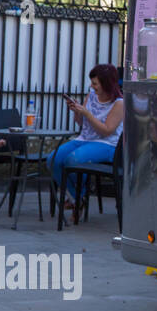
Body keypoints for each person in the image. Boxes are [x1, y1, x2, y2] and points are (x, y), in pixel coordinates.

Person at [51, 64, 124, 218]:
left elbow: (106, 130)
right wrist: (77, 112)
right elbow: (81, 123)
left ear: (106, 84)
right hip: (85, 138)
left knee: (73, 159)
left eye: (95, 83)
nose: (92, 86)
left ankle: (78, 199)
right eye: (92, 82)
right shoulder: (91, 94)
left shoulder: (119, 103)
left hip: (107, 144)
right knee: (53, 159)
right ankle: (79, 197)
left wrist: (87, 113)